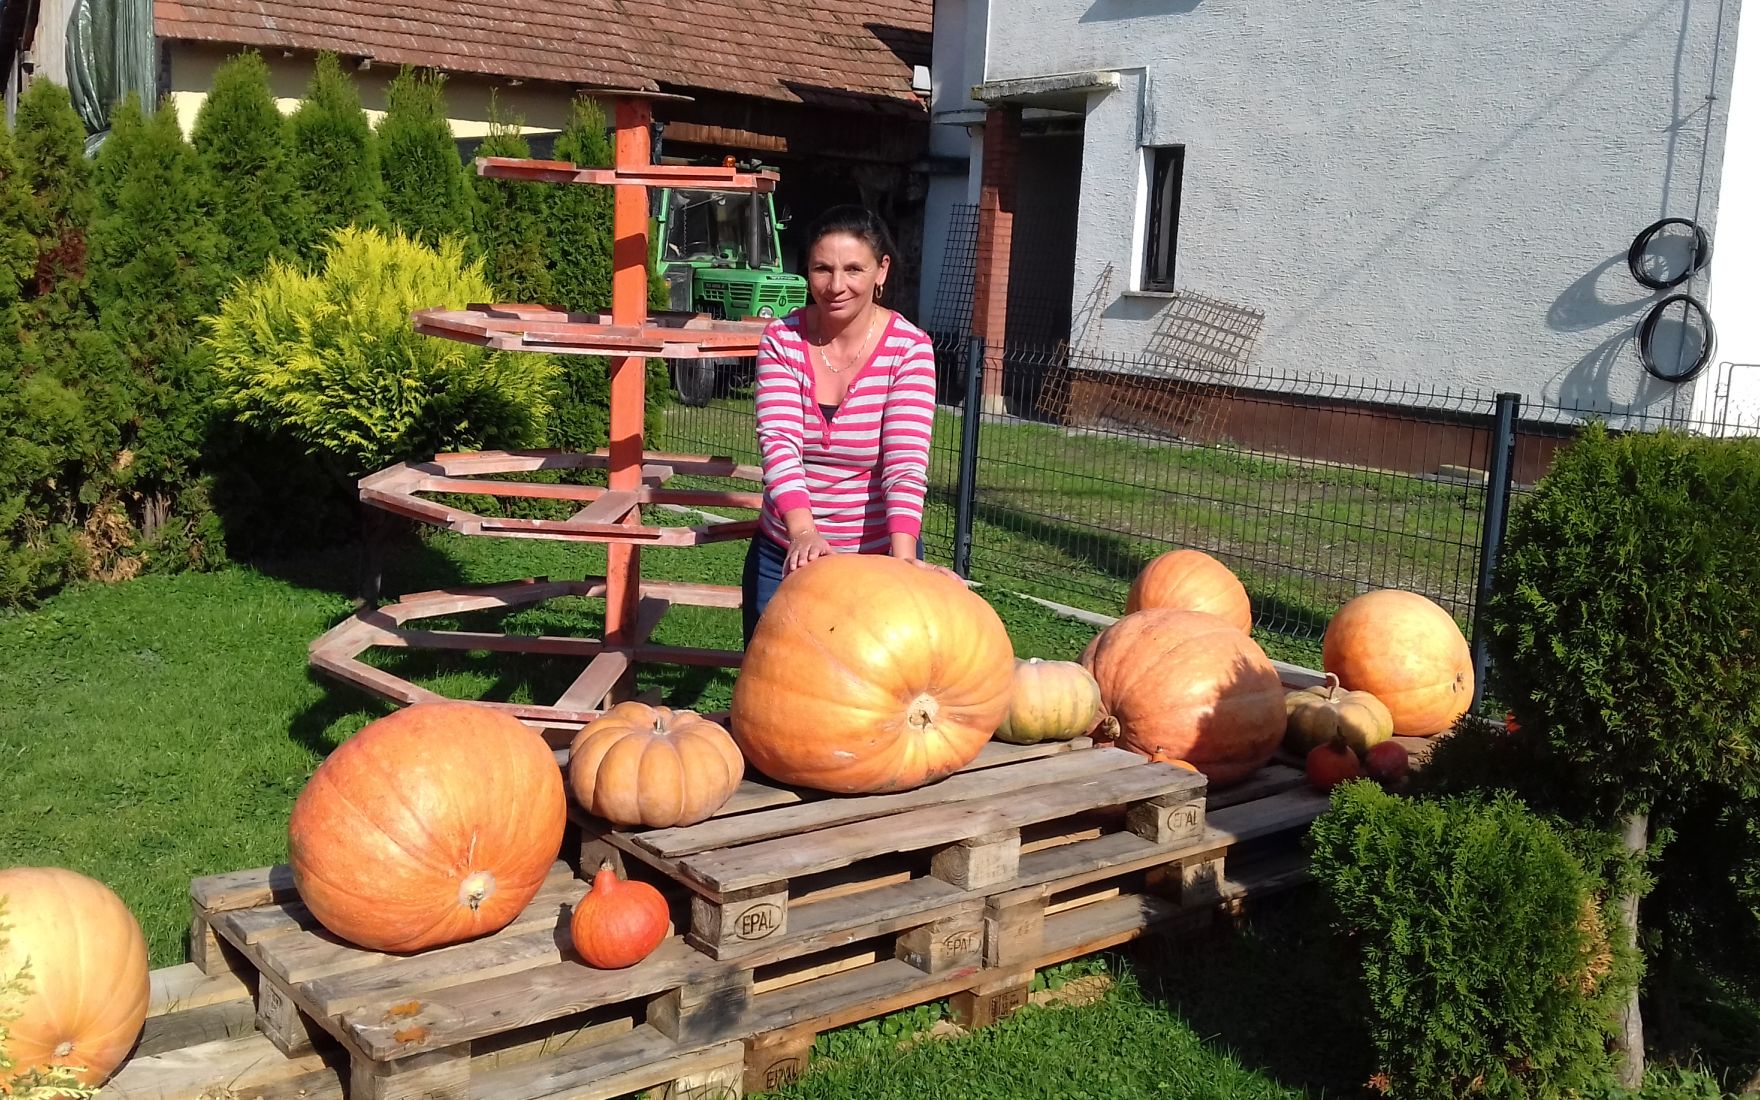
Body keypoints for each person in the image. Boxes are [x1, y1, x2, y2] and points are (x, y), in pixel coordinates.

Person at [740, 205, 955, 645]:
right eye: (823, 269)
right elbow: (779, 444)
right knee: (774, 694)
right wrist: (803, 534)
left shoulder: (909, 349)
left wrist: (902, 563)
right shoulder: (782, 339)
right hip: (787, 551)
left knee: (872, 698)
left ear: (882, 271)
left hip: (876, 557)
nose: (836, 286)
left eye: (854, 269)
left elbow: (904, 463)